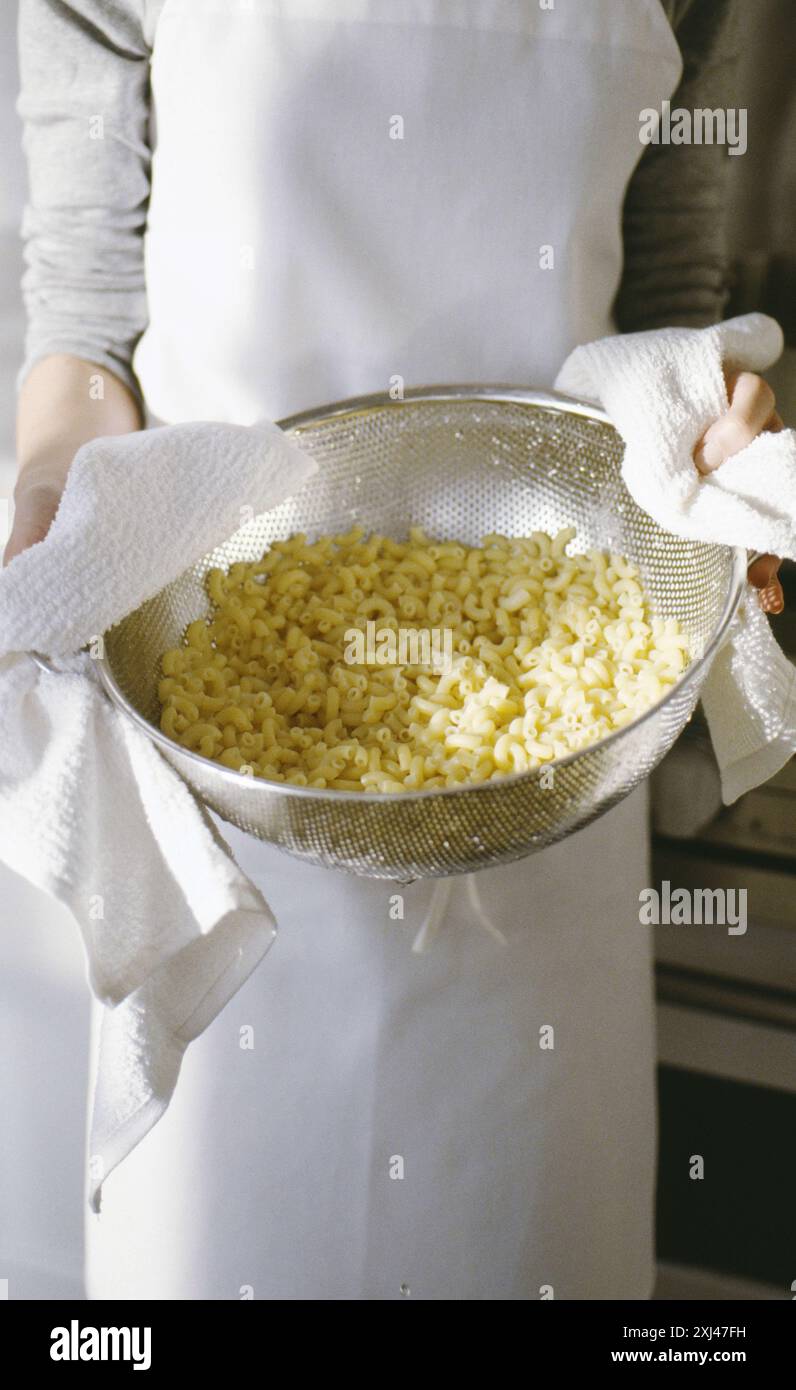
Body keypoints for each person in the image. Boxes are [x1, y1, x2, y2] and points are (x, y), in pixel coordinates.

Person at [8, 0, 784, 1300]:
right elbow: (84, 322)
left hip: (558, 749)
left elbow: (670, 300)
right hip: (226, 768)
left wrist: (714, 438)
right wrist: (50, 507)